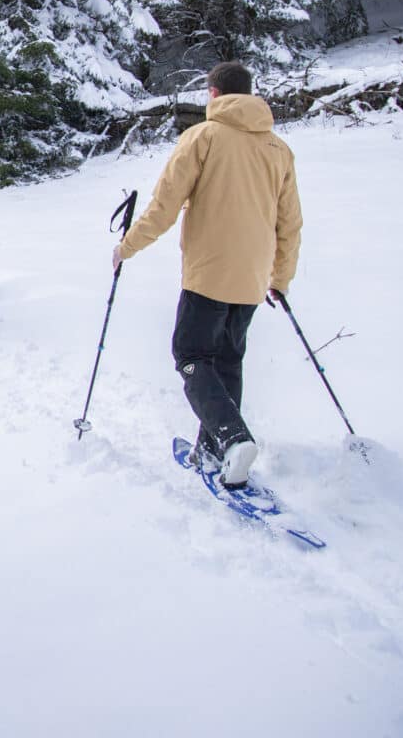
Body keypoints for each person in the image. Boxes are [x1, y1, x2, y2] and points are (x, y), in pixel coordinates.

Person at [113, 61, 302, 489]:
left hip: (208, 274)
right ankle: (218, 449)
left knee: (191, 355)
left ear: (213, 94)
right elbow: (290, 223)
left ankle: (233, 439)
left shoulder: (203, 137)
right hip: (252, 277)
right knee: (227, 360)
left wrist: (127, 247)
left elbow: (164, 206)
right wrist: (280, 278)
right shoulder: (278, 149)